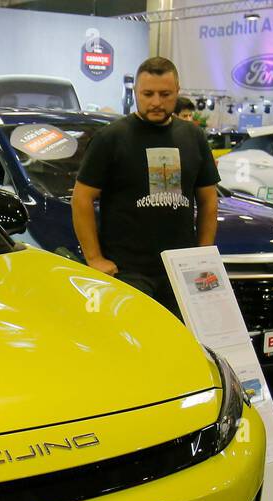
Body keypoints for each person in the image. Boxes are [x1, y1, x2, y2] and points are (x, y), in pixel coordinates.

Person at [71, 57, 219, 317]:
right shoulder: (111, 138)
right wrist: (94, 258)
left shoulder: (193, 136)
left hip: (180, 270)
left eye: (165, 94)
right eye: (147, 93)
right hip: (129, 271)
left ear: (177, 91)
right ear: (136, 92)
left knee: (183, 345)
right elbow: (81, 198)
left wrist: (202, 255)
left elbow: (208, 201)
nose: (156, 102)